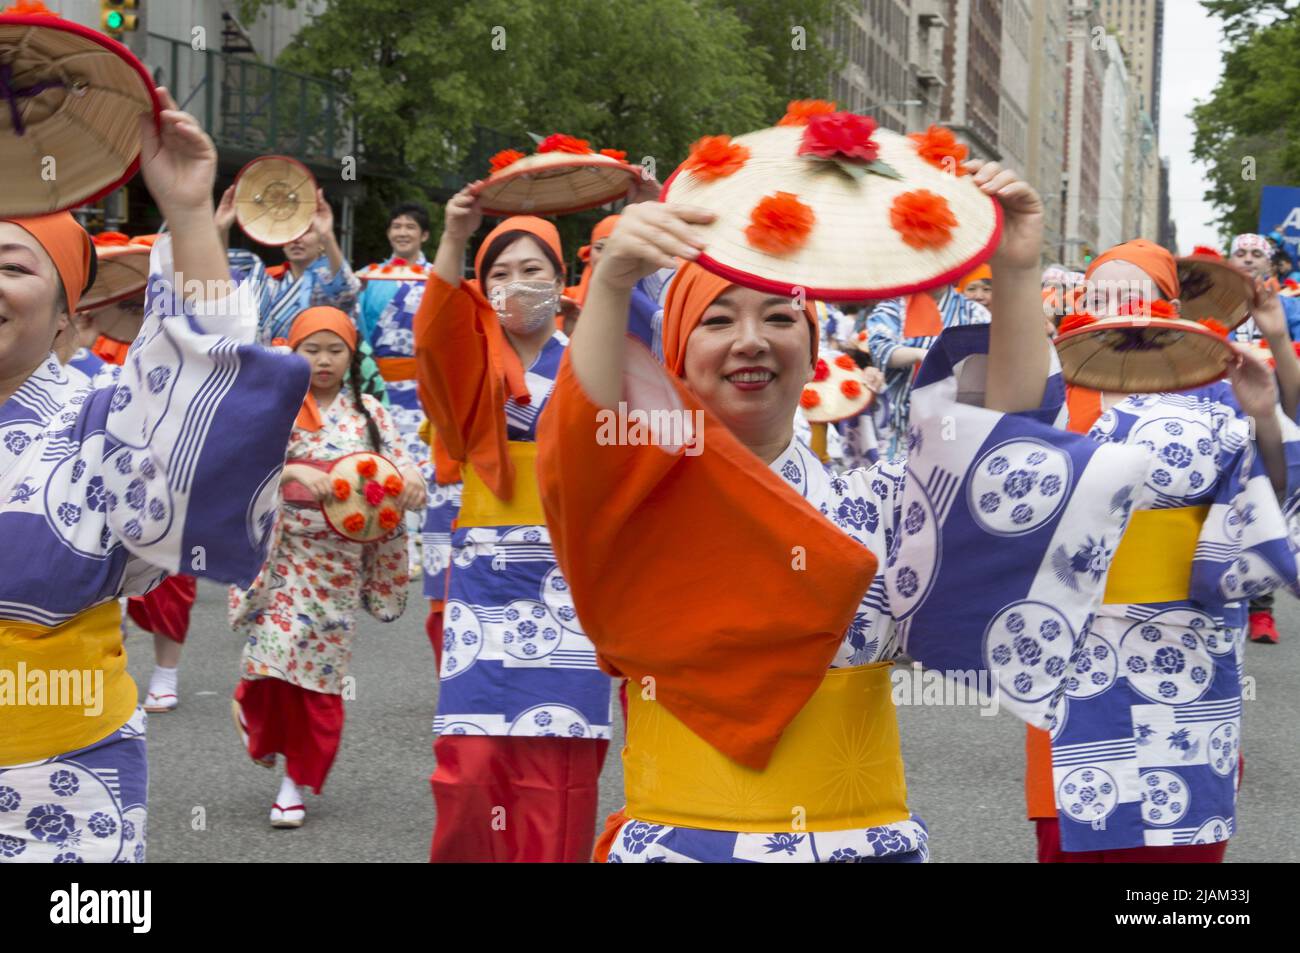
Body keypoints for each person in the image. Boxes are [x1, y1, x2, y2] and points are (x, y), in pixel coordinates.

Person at [536, 161, 1149, 863]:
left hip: (864, 845)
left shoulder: (878, 501)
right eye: (716, 319)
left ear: (812, 350)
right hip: (681, 846)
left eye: (778, 317)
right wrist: (613, 282)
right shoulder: (636, 505)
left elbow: (1005, 449)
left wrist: (1014, 269)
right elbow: (575, 440)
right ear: (675, 351)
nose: (751, 340)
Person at [0, 89, 309, 863]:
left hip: (62, 781)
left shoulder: (103, 414)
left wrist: (188, 211)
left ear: (71, 314)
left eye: (9, 265)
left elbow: (203, 400)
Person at [1025, 239, 1300, 861]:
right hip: (1073, 648)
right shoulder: (1050, 388)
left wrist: (1263, 402)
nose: (1119, 310)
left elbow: (1274, 490)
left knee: (1181, 853)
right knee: (1070, 827)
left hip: (1187, 646)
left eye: (1137, 296)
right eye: (1101, 296)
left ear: (1168, 307)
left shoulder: (1213, 388)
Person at [414, 195, 614, 863]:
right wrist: (453, 234)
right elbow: (435, 331)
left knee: (555, 771)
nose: (515, 285)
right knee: (469, 768)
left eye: (533, 270)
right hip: (484, 583)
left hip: (569, 585)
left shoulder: (593, 359)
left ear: (561, 284)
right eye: (498, 273)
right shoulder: (467, 363)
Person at [229, 306, 425, 828]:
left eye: (334, 349)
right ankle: (257, 718)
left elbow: (402, 462)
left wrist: (411, 481)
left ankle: (293, 781)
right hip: (284, 551)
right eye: (310, 349)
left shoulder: (370, 415)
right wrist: (292, 468)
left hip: (339, 560)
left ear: (351, 355)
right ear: (291, 353)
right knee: (272, 656)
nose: (322, 360)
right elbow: (242, 468)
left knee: (316, 675)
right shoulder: (274, 407)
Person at [355, 201, 435, 572]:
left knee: (418, 464)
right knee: (380, 460)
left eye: (410, 227)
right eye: (396, 226)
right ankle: (381, 546)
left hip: (423, 386)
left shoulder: (438, 277)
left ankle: (418, 552)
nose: (402, 232)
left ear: (425, 235)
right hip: (379, 384)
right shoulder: (368, 277)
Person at [867, 280, 990, 458]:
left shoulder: (973, 311)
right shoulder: (893, 306)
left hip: (956, 425)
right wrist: (924, 355)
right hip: (901, 427)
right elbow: (880, 348)